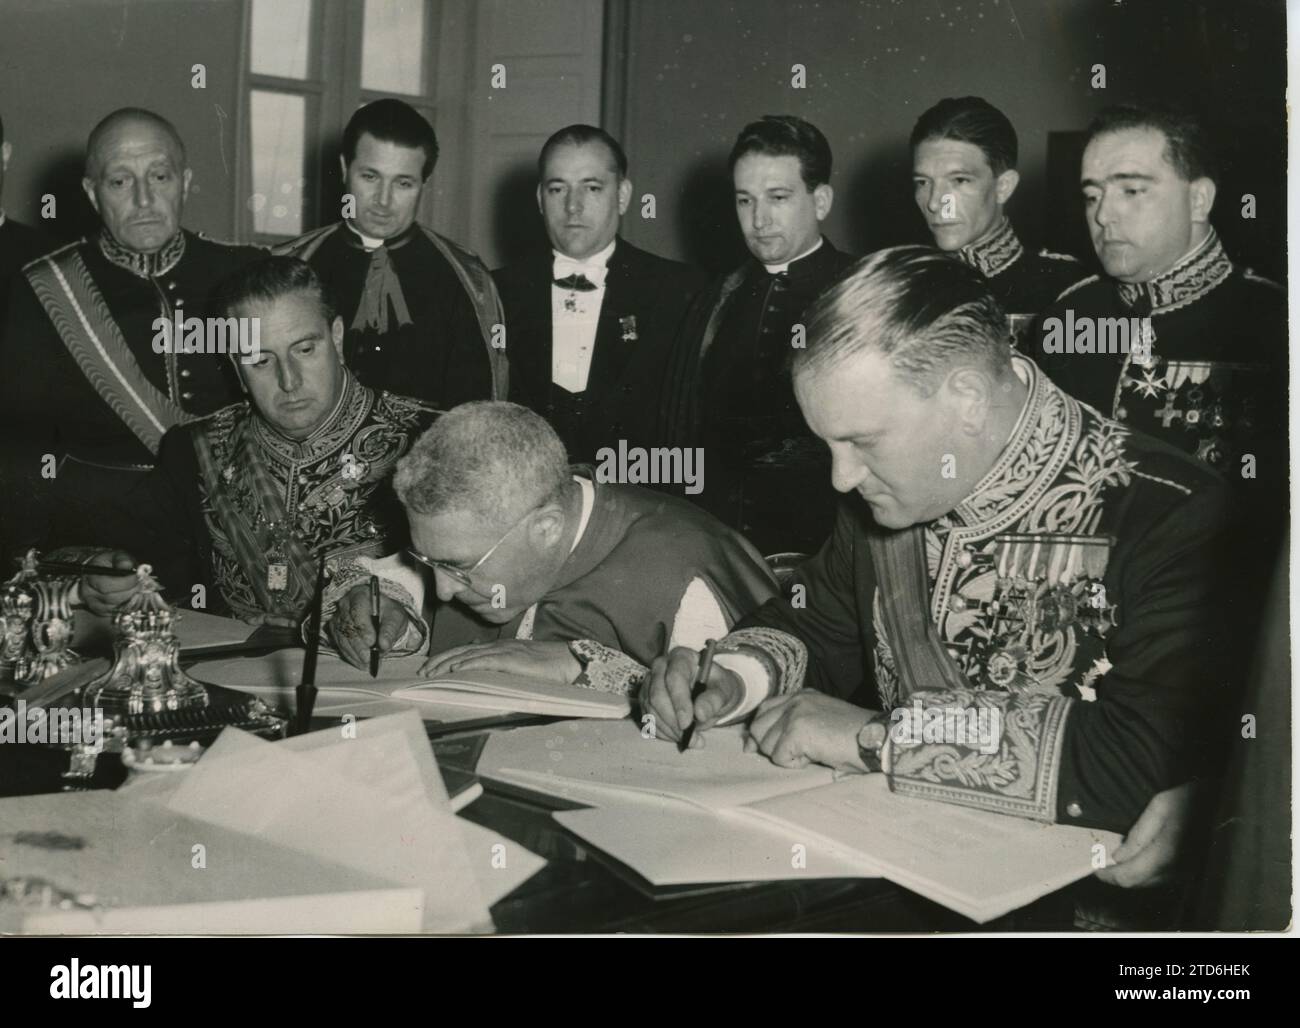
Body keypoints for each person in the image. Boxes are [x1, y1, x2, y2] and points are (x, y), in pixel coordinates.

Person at [643, 248, 1232, 886]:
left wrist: (876, 739)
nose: (842, 477)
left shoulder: (1176, 514)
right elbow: (820, 621)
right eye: (829, 446)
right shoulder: (886, 494)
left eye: (862, 442)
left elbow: (1139, 757)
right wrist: (735, 677)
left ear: (968, 399)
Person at [75, 256, 438, 626]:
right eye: (260, 360)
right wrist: (100, 571)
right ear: (235, 366)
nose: (289, 381)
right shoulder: (195, 451)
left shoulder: (430, 441)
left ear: (338, 338)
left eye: (305, 349)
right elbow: (118, 554)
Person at [324, 401, 777, 693]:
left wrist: (595, 671)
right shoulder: (470, 534)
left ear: (546, 528)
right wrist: (380, 611)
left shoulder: (686, 569)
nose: (441, 590)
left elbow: (742, 722)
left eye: (458, 568)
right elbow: (389, 592)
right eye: (428, 560)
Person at [0, 107, 263, 551]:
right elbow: (25, 453)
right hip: (101, 542)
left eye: (160, 176)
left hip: (237, 533)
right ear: (92, 192)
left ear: (186, 180)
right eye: (120, 181)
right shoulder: (43, 288)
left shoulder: (248, 273)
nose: (144, 199)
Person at [1035, 103, 1286, 481]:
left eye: (1132, 190)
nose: (1103, 215)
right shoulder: (1069, 317)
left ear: (1198, 200)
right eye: (1092, 196)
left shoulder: (1275, 319)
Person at [661, 115, 855, 555]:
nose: (759, 219)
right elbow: (681, 437)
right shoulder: (714, 301)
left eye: (778, 198)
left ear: (820, 200)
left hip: (830, 550)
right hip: (721, 545)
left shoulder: (861, 292)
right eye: (745, 200)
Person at [495, 125, 705, 463]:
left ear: (622, 196)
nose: (573, 207)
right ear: (539, 199)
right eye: (557, 188)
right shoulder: (493, 294)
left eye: (591, 188)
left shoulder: (681, 292)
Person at [275, 98, 507, 406]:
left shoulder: (468, 281)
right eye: (370, 177)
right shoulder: (287, 265)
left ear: (424, 183)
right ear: (345, 168)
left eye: (403, 183)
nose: (383, 201)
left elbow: (480, 415)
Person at [911, 96, 1084, 346]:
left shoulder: (1066, 288)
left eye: (959, 180)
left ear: (1003, 187)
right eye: (923, 183)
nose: (935, 202)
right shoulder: (903, 286)